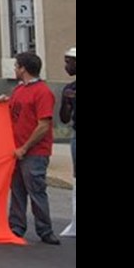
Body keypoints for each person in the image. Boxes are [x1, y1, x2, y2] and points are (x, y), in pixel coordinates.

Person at [4, 51, 60, 244]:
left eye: (16, 66)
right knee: (17, 190)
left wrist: (25, 148)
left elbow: (43, 124)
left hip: (34, 152)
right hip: (18, 149)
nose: (15, 69)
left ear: (23, 68)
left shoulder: (42, 92)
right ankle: (16, 226)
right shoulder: (19, 90)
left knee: (36, 190)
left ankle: (45, 230)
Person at [59, 47, 76, 237]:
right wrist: (66, 102)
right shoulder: (69, 88)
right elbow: (64, 119)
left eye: (68, 62)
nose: (66, 66)